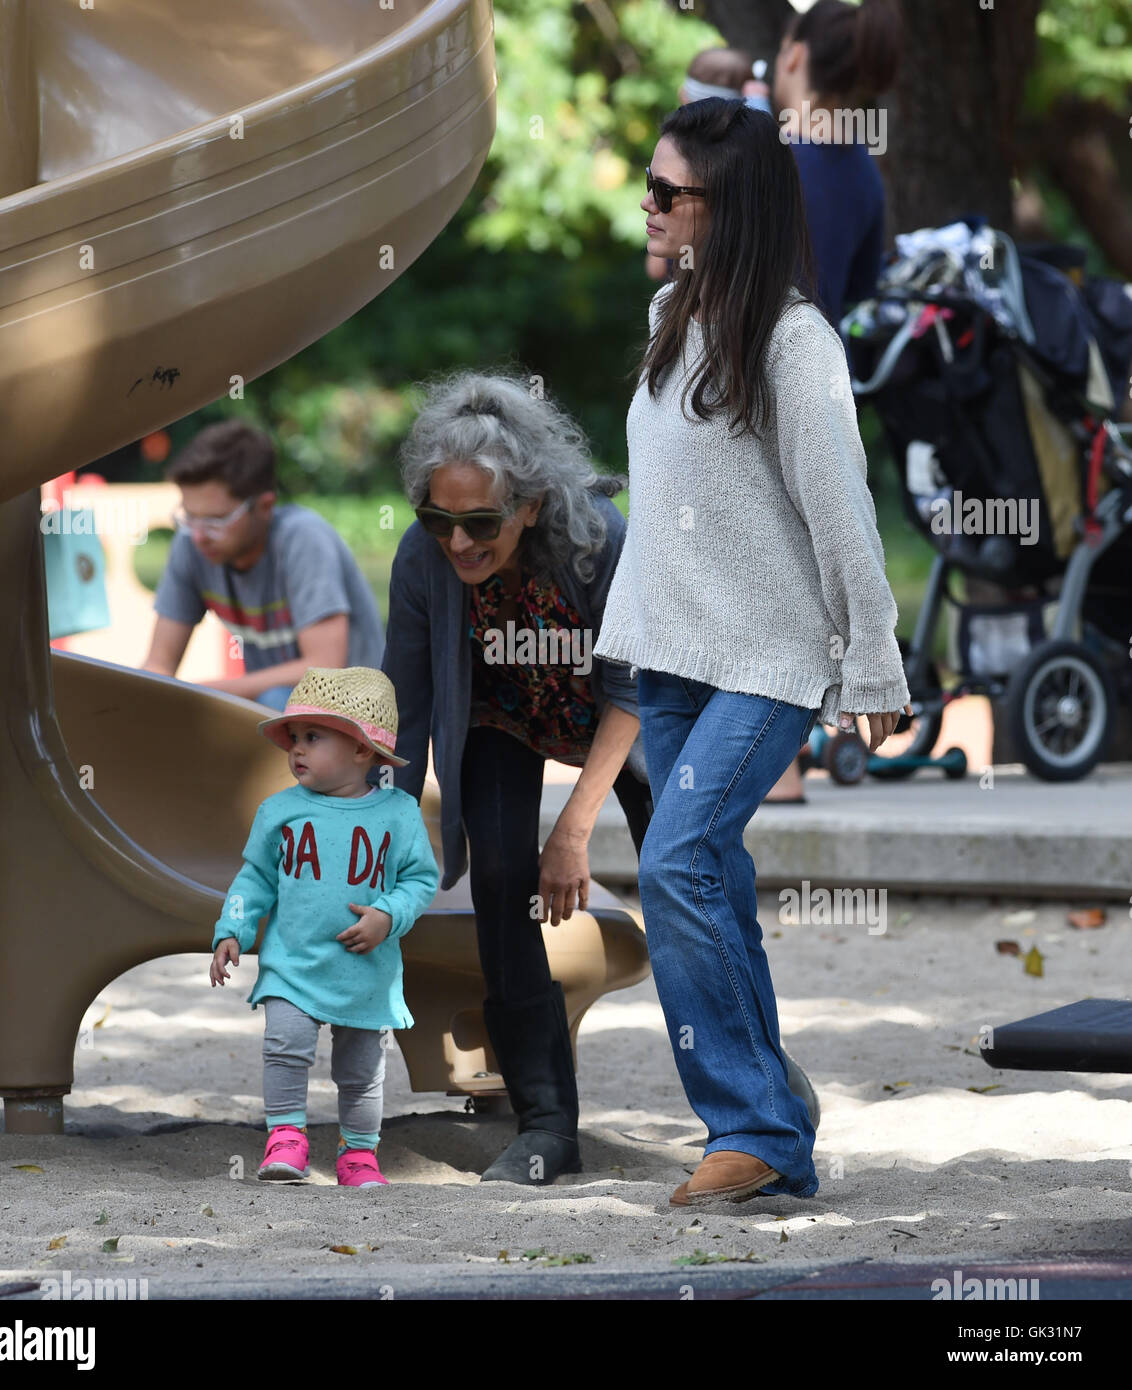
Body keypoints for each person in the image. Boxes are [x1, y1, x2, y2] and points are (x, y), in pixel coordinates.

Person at [595, 97, 911, 1206]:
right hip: (676, 653)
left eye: (666, 192)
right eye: (649, 183)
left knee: (676, 859)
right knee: (709, 879)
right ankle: (773, 1101)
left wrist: (871, 661)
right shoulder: (668, 317)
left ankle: (755, 1129)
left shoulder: (795, 340)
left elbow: (841, 510)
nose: (647, 205)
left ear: (723, 211)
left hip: (772, 656)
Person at [376, 371, 653, 1185]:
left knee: (681, 880)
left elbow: (634, 691)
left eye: (480, 522)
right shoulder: (422, 561)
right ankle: (547, 1129)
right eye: (439, 519)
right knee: (500, 882)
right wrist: (384, 839)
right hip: (504, 716)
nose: (458, 541)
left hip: (620, 718)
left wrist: (572, 834)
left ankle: (757, 1085)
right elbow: (407, 701)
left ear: (529, 504)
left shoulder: (595, 540)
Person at [209, 666, 439, 1187]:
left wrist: (388, 915)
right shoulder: (280, 812)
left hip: (365, 970)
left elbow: (420, 880)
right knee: (285, 1046)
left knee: (361, 1073)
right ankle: (286, 1138)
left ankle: (358, 1154)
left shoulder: (399, 814)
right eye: (294, 737)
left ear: (362, 750)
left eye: (314, 737)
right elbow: (254, 880)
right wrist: (232, 930)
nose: (297, 749)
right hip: (292, 965)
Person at [763, 0, 902, 803]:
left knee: (762, 570)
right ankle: (789, 752)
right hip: (828, 385)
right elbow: (864, 293)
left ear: (793, 60)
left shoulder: (770, 162)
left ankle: (774, 765)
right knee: (806, 564)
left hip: (759, 385)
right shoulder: (863, 171)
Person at [143, 420, 384, 710]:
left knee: (270, 705)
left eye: (216, 520)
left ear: (265, 506)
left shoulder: (303, 539)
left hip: (357, 714)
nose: (198, 535)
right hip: (280, 708)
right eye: (189, 516)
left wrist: (204, 693)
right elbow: (158, 665)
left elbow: (325, 668)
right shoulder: (191, 544)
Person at [644, 46, 772, 285]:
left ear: (684, 97)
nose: (648, 202)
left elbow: (655, 267)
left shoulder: (676, 159)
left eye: (664, 190)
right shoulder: (764, 165)